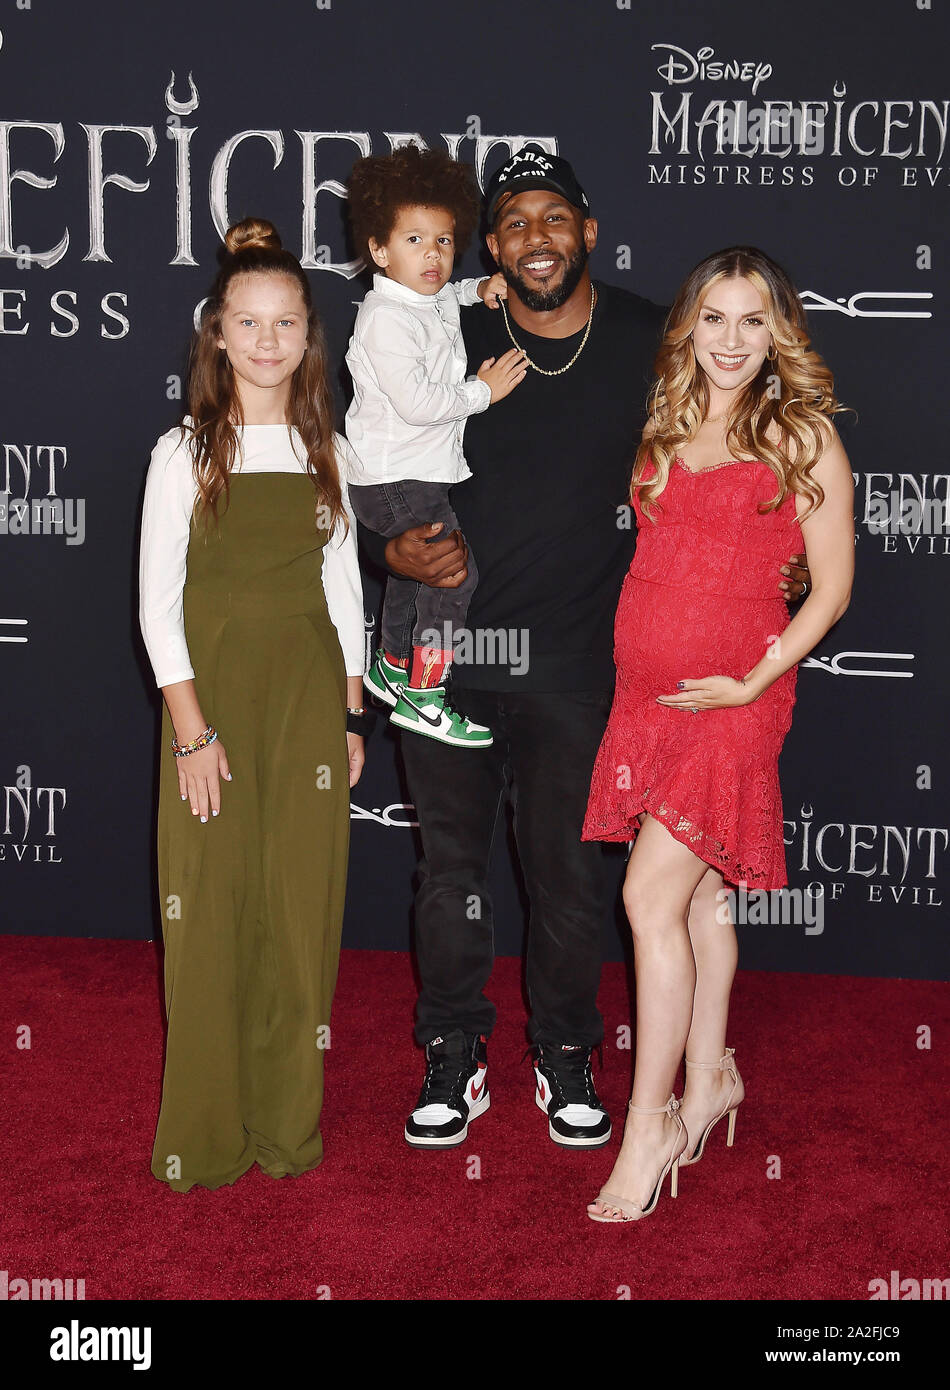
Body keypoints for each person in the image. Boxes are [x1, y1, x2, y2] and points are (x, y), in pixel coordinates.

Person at [357, 151, 811, 1150]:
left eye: (552, 217)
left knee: (568, 876)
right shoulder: (445, 326)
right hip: (451, 656)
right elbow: (362, 445)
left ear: (588, 232)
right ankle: (452, 1051)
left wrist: (780, 562)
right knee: (449, 871)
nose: (532, 237)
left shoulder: (655, 339)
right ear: (491, 245)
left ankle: (565, 1054)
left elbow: (747, 433)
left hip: (582, 664)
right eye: (511, 221)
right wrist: (380, 543)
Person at [582, 247, 854, 1222]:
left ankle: (647, 1122)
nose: (730, 340)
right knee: (700, 909)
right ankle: (710, 1083)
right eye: (712, 319)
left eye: (750, 321)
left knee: (647, 899)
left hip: (735, 703)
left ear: (776, 331)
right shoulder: (662, 421)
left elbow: (827, 591)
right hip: (644, 697)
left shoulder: (803, 437)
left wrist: (753, 676)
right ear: (687, 327)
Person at [139, 217, 367, 1192]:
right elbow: (155, 605)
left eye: (286, 322)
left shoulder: (330, 450)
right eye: (248, 321)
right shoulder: (184, 449)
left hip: (309, 704)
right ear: (217, 334)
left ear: (308, 336)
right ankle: (204, 1133)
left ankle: (285, 1127)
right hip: (215, 709)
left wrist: (351, 715)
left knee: (296, 912)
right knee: (212, 912)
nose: (268, 340)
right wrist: (194, 734)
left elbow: (346, 587)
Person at [344, 144, 526, 748]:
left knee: (413, 578)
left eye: (444, 241)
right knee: (455, 576)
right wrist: (484, 391)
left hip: (408, 476)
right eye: (415, 240)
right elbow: (421, 403)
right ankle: (426, 695)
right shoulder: (385, 319)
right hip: (396, 479)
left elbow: (451, 294)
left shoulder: (425, 296)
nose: (433, 255)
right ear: (378, 249)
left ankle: (392, 668)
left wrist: (484, 290)